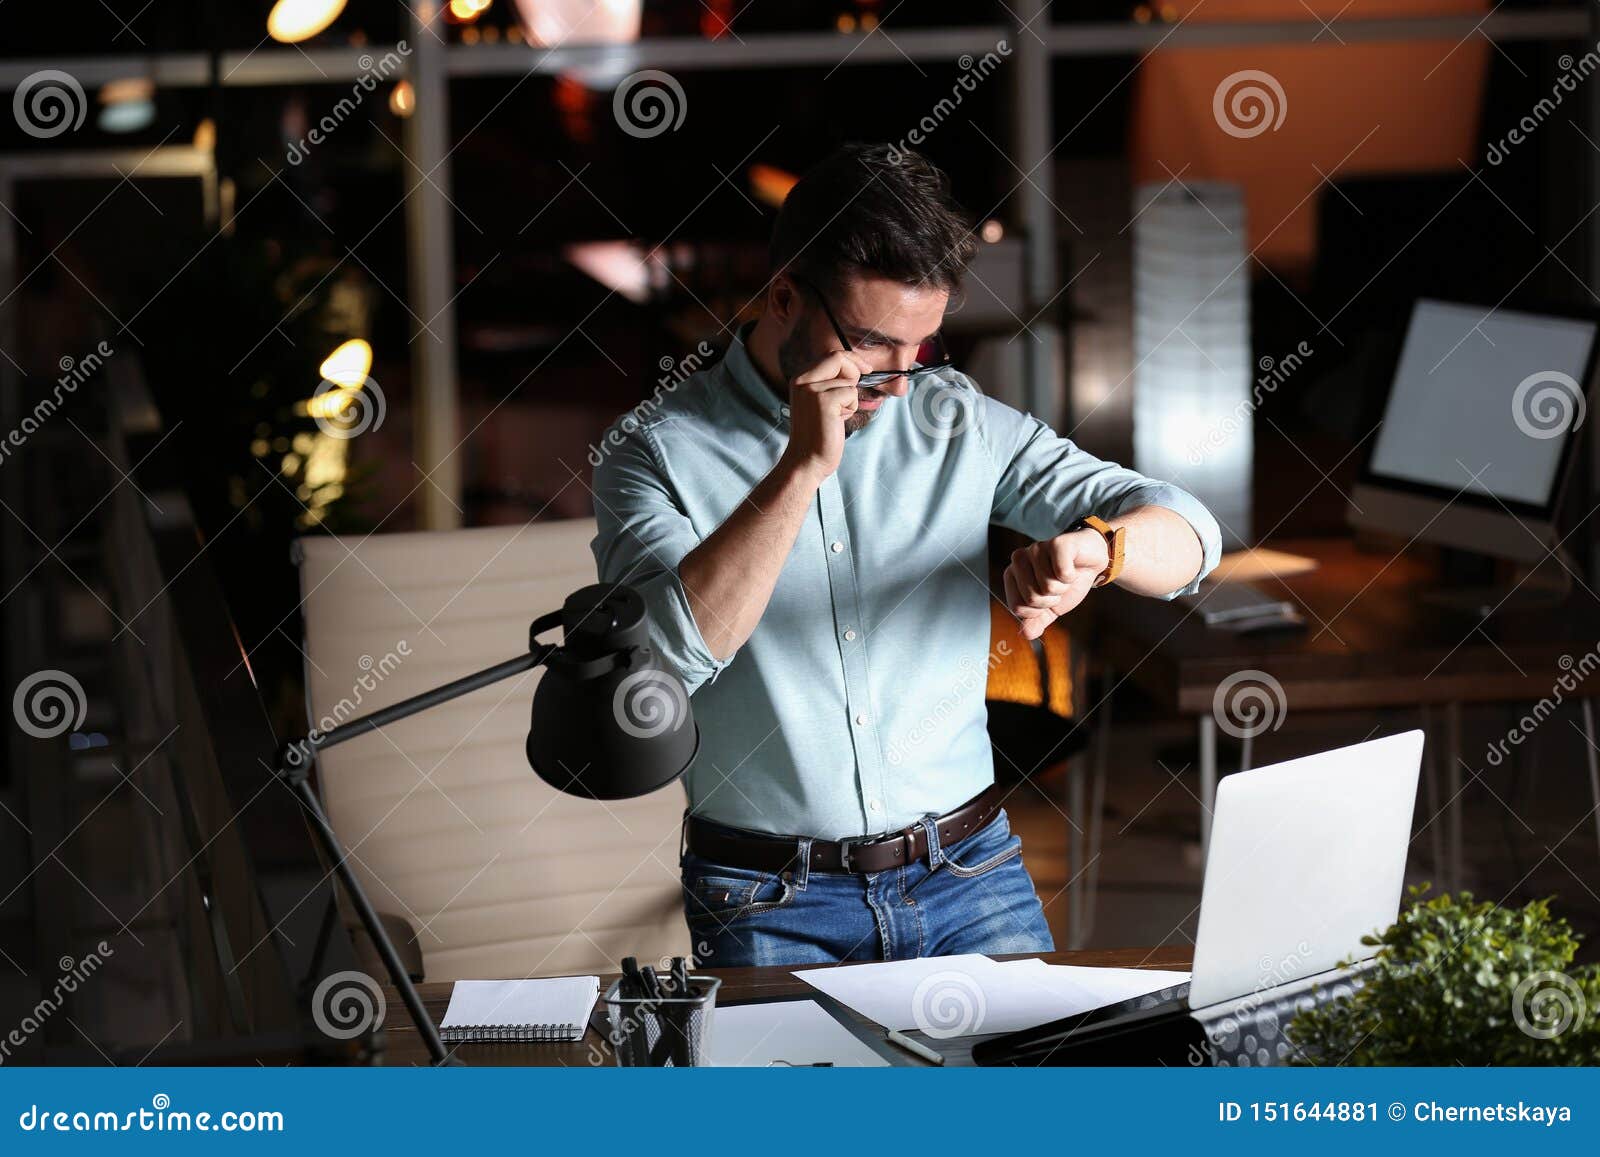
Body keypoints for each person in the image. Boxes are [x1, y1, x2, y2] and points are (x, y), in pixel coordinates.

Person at [591, 142, 1220, 967]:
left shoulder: (953, 420)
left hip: (969, 873)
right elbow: (666, 664)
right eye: (871, 342)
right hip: (767, 897)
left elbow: (1193, 532)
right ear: (784, 297)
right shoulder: (652, 451)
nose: (898, 379)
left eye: (921, 346)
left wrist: (1101, 549)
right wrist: (800, 470)